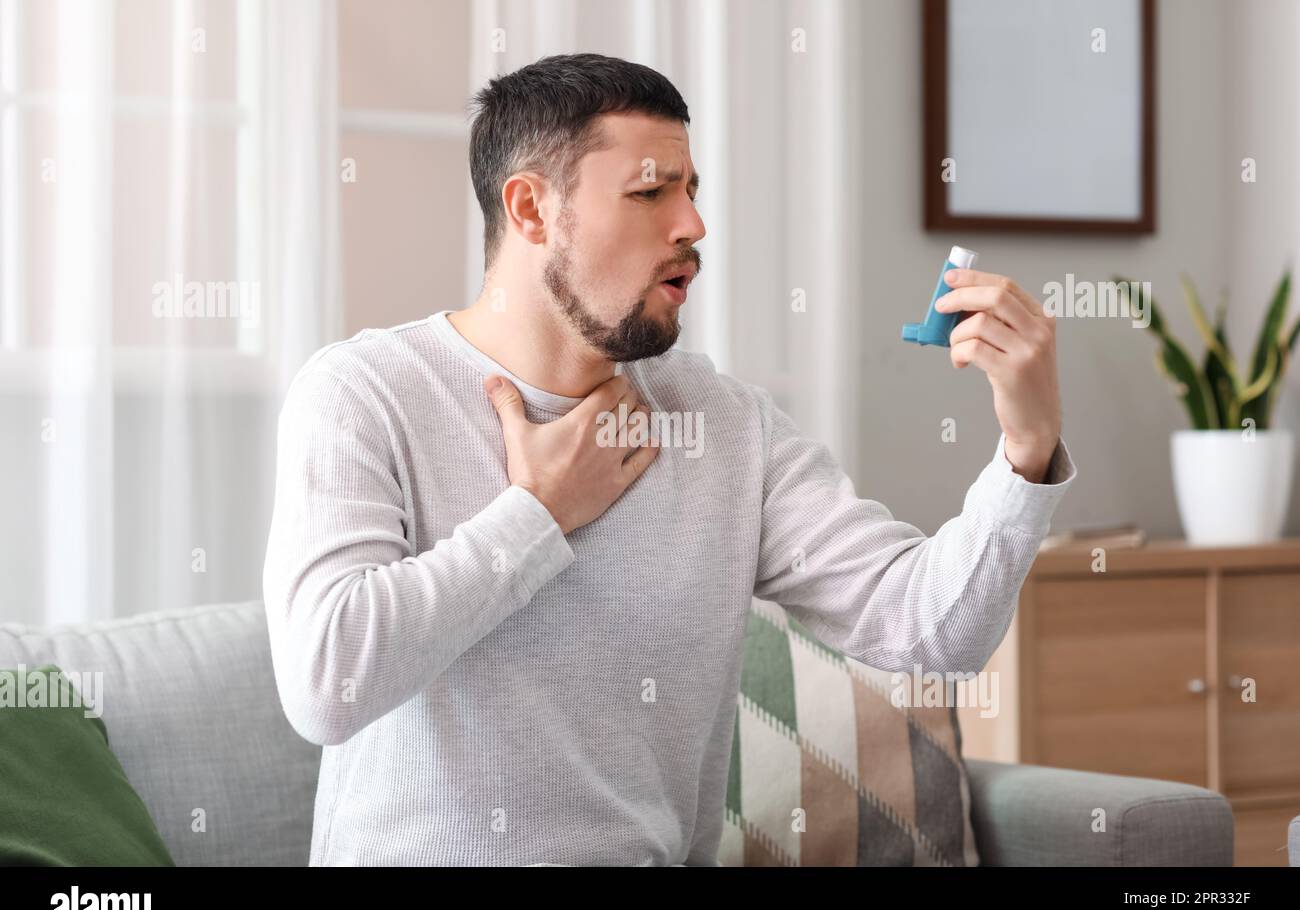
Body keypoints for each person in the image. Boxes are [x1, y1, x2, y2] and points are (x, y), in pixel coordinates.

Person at [262, 52, 1077, 866]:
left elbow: (931, 635)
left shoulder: (721, 422)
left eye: (690, 191)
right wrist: (539, 512)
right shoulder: (363, 394)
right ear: (532, 209)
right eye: (651, 192)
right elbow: (326, 684)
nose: (692, 225)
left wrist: (1027, 448)